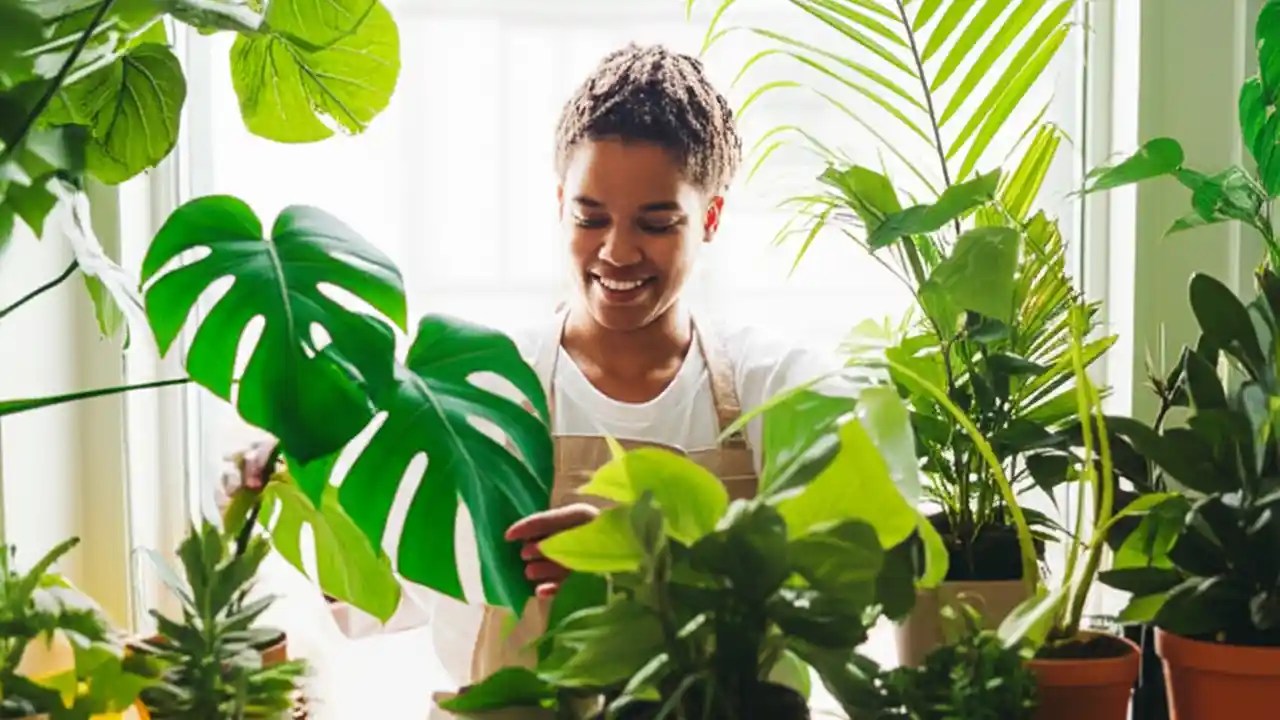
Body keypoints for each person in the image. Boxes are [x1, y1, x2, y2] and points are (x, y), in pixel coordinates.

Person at [225, 42, 848, 707]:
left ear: (712, 217)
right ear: (559, 204)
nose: (617, 251)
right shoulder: (484, 388)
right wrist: (291, 486)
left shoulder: (774, 385)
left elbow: (842, 591)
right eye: (590, 217)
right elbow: (377, 590)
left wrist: (635, 559)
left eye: (658, 222)